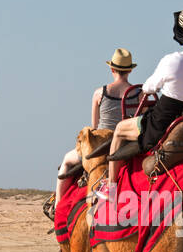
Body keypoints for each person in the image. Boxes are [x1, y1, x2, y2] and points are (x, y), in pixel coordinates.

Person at [96, 11, 183, 213]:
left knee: (119, 130)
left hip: (164, 122)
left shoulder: (171, 60)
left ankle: (111, 187)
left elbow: (148, 89)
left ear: (180, 35)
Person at [54, 48, 143, 207]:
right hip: (129, 144)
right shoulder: (140, 93)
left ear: (112, 69)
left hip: (101, 144)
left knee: (67, 161)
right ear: (129, 70)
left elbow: (94, 127)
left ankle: (58, 207)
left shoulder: (99, 93)